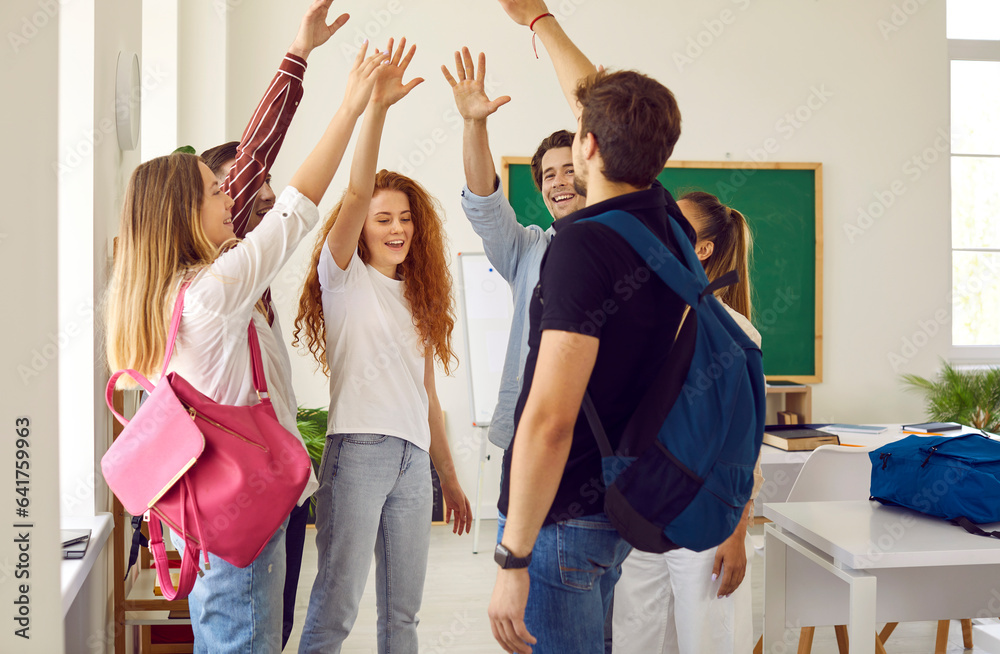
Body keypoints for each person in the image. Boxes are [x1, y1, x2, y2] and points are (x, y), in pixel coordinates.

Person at [104, 37, 389, 653]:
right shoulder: (212, 292)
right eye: (215, 191)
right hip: (243, 513)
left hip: (203, 511)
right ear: (184, 213)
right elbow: (295, 206)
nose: (229, 198)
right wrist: (348, 109)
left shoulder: (158, 298)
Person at [487, 3, 697, 653]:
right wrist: (539, 20)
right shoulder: (673, 229)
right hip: (617, 507)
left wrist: (512, 557)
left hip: (564, 517)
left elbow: (551, 415)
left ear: (586, 145)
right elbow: (600, 103)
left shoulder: (582, 246)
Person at [293, 37, 473, 654]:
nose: (397, 228)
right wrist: (377, 110)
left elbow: (426, 395)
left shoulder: (418, 299)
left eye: (404, 218)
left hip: (412, 460)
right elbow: (351, 191)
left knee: (404, 618)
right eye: (383, 218)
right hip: (359, 452)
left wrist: (447, 476)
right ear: (362, 229)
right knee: (336, 609)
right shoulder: (341, 277)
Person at [198, 1, 345, 646]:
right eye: (228, 198)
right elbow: (259, 162)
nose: (248, 212)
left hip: (269, 487)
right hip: (244, 497)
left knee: (266, 630)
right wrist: (297, 58)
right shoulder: (216, 285)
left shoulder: (236, 286)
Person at [611, 191, 765, 654]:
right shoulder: (638, 318)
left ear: (702, 249)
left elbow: (745, 450)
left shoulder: (737, 332)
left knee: (708, 641)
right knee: (637, 639)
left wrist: (737, 532)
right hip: (642, 514)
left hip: (706, 520)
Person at [442, 47, 586, 453]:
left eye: (570, 171)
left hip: (593, 439)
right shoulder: (528, 250)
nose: (557, 182)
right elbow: (485, 206)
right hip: (527, 434)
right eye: (548, 176)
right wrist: (474, 124)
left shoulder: (621, 245)